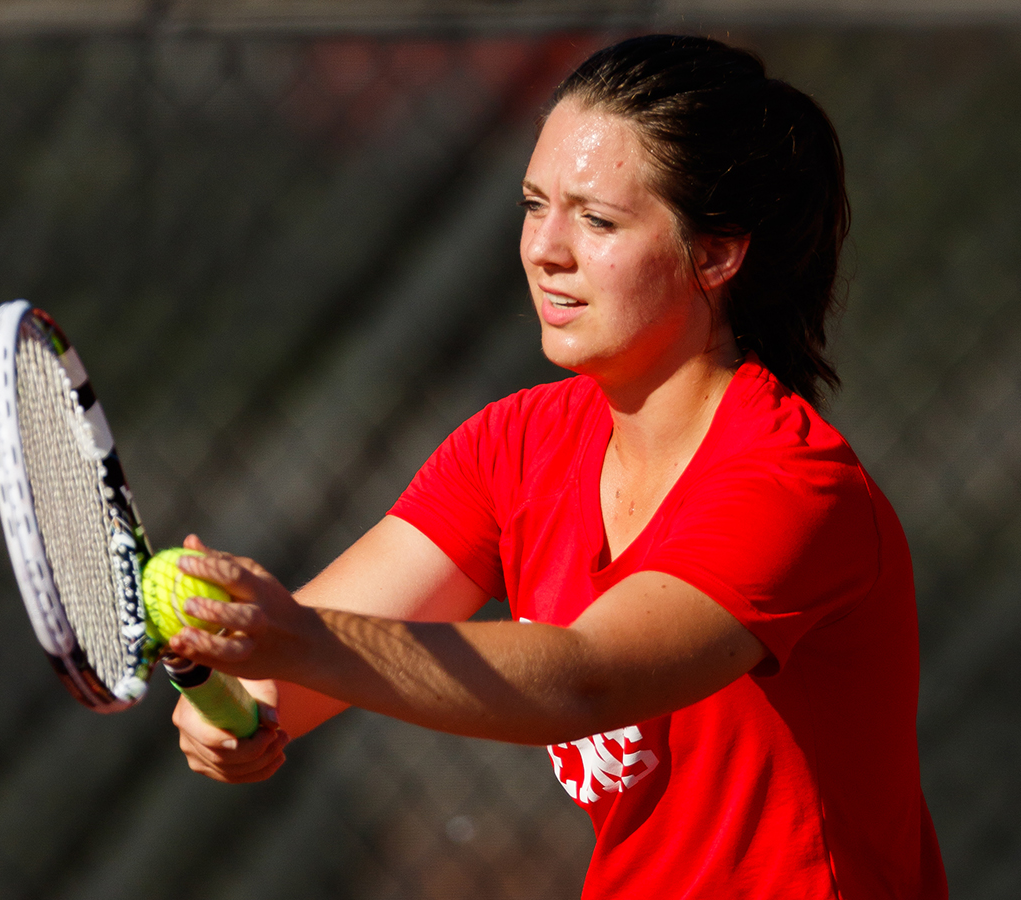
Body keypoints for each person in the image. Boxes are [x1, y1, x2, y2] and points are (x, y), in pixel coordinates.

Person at [168, 33, 947, 898]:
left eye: (598, 219)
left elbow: (587, 681)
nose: (546, 248)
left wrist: (300, 641)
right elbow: (283, 678)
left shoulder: (790, 486)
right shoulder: (512, 447)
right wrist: (234, 692)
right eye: (534, 205)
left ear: (718, 254)